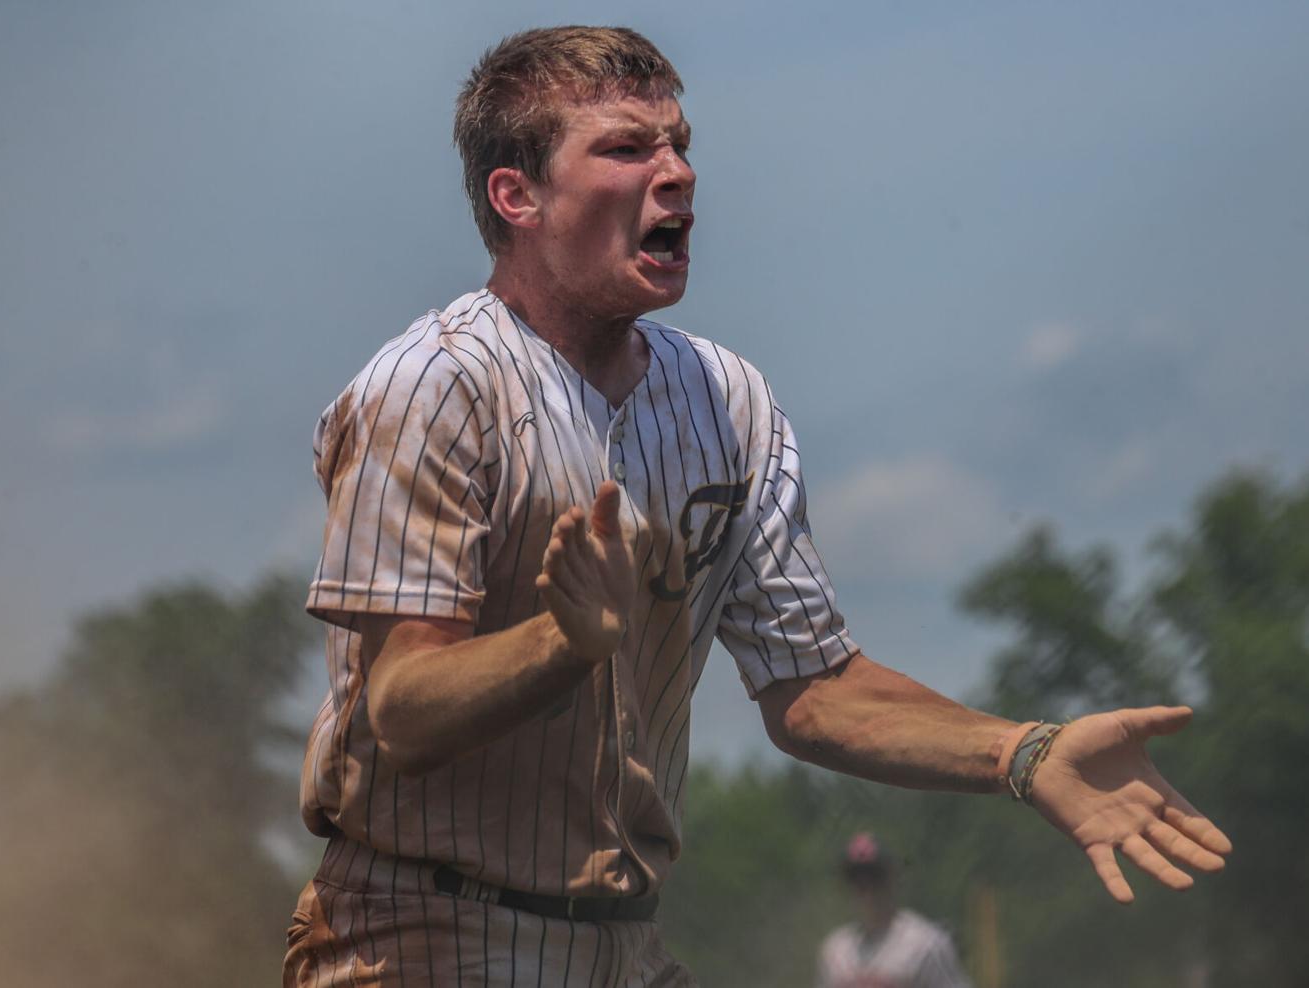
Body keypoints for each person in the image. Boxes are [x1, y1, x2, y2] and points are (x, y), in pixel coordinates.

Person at [284, 25, 1231, 987]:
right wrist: (562, 642)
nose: (678, 173)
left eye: (679, 143)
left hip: (624, 943)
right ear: (516, 196)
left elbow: (812, 688)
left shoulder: (728, 401)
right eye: (627, 148)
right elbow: (400, 709)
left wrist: (1024, 753)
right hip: (420, 936)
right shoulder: (434, 385)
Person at [817, 833, 971, 988]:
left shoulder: (925, 944)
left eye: (875, 878)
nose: (867, 890)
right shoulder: (836, 951)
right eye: (856, 880)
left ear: (893, 880)